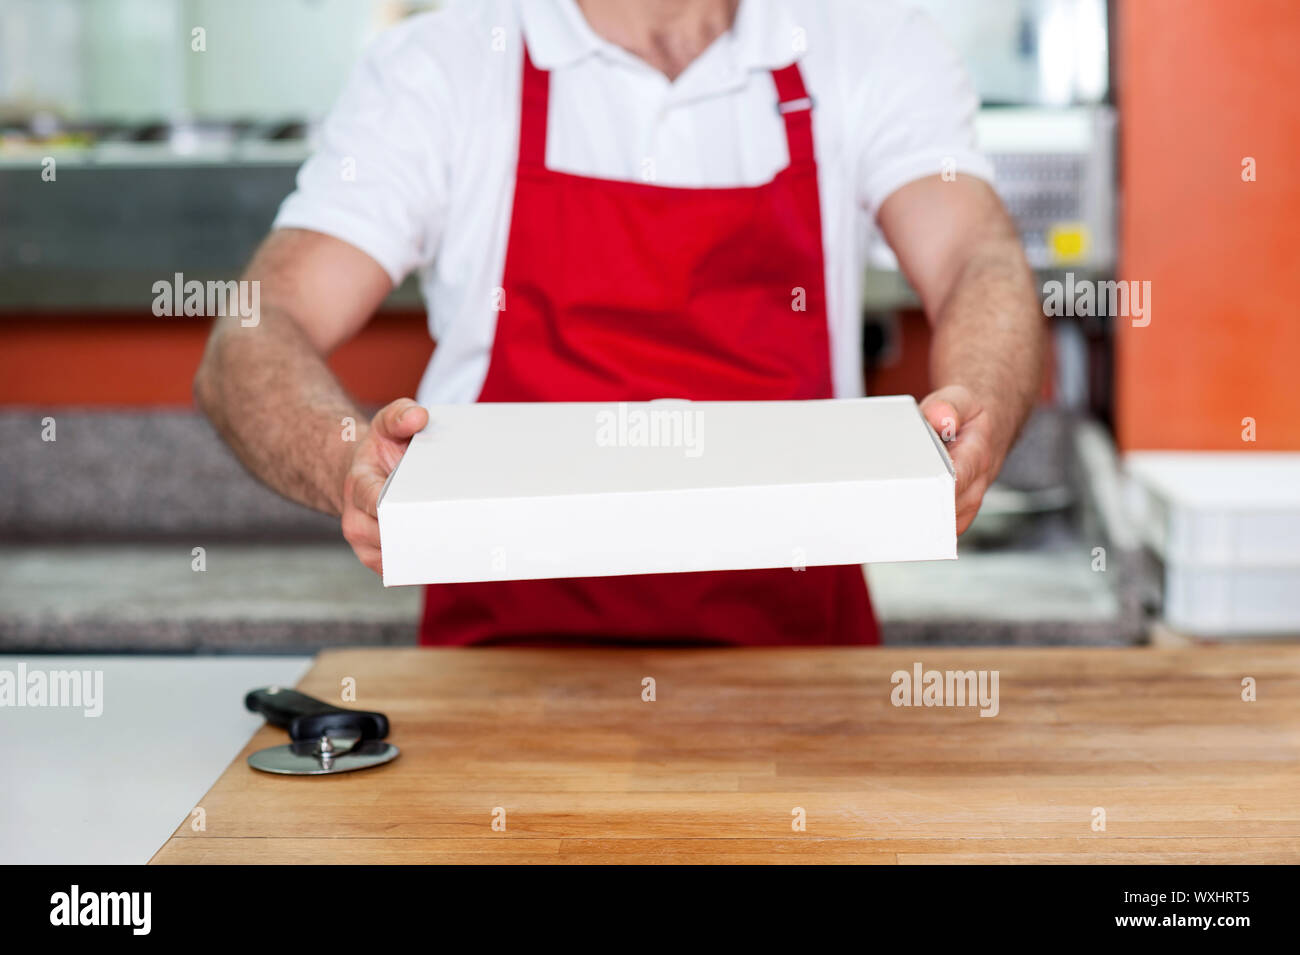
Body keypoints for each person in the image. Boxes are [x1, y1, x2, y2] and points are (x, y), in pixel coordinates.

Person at [194, 0, 1045, 647]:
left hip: (801, 674)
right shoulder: (444, 63)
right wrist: (343, 459)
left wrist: (982, 404)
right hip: (498, 676)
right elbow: (260, 322)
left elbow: (979, 257)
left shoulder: (869, 43)